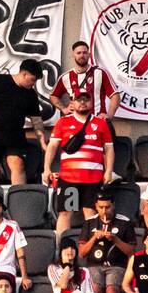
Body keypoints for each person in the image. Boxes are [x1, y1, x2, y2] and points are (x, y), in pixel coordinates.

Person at [43, 90, 114, 234]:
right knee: (65, 213)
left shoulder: (101, 123)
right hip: (70, 179)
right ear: (72, 103)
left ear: (91, 103)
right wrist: (46, 168)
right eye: (79, 99)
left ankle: (92, 248)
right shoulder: (63, 122)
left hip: (93, 179)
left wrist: (109, 171)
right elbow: (52, 147)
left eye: (86, 99)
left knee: (91, 214)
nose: (82, 102)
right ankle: (62, 248)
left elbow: (109, 149)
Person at [0, 60, 46, 186]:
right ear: (24, 74)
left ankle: (19, 199)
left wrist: (42, 142)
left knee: (18, 165)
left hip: (15, 135)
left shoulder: (31, 94)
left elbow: (36, 120)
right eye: (32, 80)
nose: (33, 83)